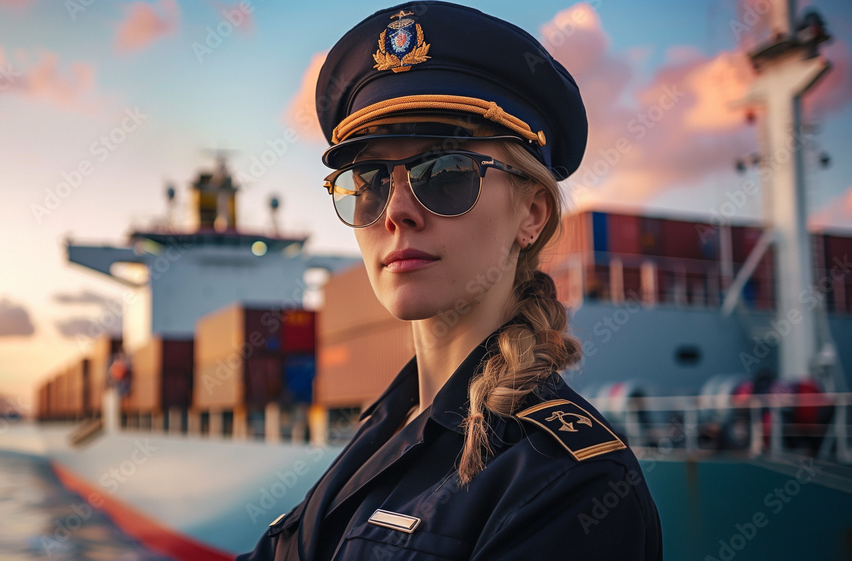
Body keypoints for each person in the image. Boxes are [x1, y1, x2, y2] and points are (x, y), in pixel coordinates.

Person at [237, 2, 662, 559]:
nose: (396, 212)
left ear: (532, 213)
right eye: (368, 180)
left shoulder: (570, 486)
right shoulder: (385, 426)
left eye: (446, 173)